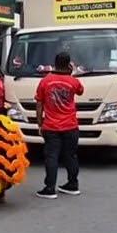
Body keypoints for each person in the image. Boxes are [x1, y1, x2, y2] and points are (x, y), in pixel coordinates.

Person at [33, 51, 84, 199]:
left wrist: (40, 124)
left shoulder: (45, 81)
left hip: (51, 127)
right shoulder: (73, 81)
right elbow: (80, 91)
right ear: (69, 64)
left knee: (51, 158)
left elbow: (39, 104)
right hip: (71, 126)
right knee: (71, 156)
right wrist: (71, 73)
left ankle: (50, 188)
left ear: (54, 62)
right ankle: (73, 184)